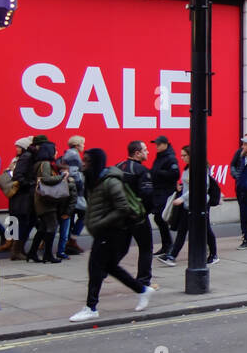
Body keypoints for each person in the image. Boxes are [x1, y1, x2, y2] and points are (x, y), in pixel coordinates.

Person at [70, 148, 156, 322]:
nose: (83, 162)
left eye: (86, 160)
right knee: (109, 267)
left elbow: (123, 208)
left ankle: (91, 307)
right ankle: (143, 290)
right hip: (106, 231)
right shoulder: (95, 180)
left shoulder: (110, 182)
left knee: (95, 268)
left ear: (95, 162)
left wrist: (101, 223)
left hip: (113, 232)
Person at [160, 145, 219, 266]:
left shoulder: (201, 168)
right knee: (182, 231)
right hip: (188, 205)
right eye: (181, 155)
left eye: (184, 155)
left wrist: (182, 198)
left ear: (191, 155)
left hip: (200, 205)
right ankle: (172, 256)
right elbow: (189, 185)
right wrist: (180, 188)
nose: (182, 158)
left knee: (206, 230)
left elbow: (199, 187)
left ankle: (214, 254)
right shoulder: (188, 168)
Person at [117, 140, 158, 289]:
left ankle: (103, 269)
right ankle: (143, 281)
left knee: (121, 248)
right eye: (145, 150)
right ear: (137, 153)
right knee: (146, 248)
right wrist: (146, 211)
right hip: (137, 217)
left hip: (120, 216)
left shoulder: (118, 167)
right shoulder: (141, 171)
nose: (148, 152)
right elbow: (147, 195)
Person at [27, 141, 75, 263]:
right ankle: (47, 255)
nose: (56, 152)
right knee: (52, 226)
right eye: (55, 150)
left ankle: (32, 253)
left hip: (41, 200)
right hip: (46, 201)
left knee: (43, 228)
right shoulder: (46, 164)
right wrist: (62, 176)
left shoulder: (39, 163)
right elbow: (46, 180)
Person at [7, 135, 40, 261]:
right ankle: (16, 249)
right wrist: (30, 183)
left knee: (23, 222)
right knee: (21, 222)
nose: (16, 149)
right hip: (22, 196)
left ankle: (17, 248)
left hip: (21, 196)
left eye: (19, 146)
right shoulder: (25, 158)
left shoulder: (24, 157)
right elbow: (18, 176)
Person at [149, 135, 180, 257]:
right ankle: (166, 245)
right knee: (158, 218)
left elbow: (175, 174)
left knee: (160, 217)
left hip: (165, 192)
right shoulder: (161, 157)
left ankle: (169, 246)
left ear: (165, 144)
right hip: (159, 191)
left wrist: (157, 173)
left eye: (159, 144)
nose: (156, 146)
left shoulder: (170, 158)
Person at [57, 135, 87, 257]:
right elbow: (74, 174)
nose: (83, 146)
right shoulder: (74, 155)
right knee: (85, 213)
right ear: (76, 145)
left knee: (71, 214)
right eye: (82, 143)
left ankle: (69, 241)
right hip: (76, 192)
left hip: (70, 191)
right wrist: (81, 183)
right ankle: (72, 240)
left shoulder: (67, 154)